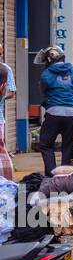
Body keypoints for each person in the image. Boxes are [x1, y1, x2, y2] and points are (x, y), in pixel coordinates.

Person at [36, 47, 73, 174]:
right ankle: (65, 175)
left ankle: (52, 175)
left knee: (46, 145)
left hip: (54, 113)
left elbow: (44, 93)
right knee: (68, 146)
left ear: (49, 60)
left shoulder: (46, 74)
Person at [0, 45, 15, 180]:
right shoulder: (4, 69)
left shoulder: (5, 69)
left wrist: (2, 95)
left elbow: (12, 92)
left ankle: (6, 181)